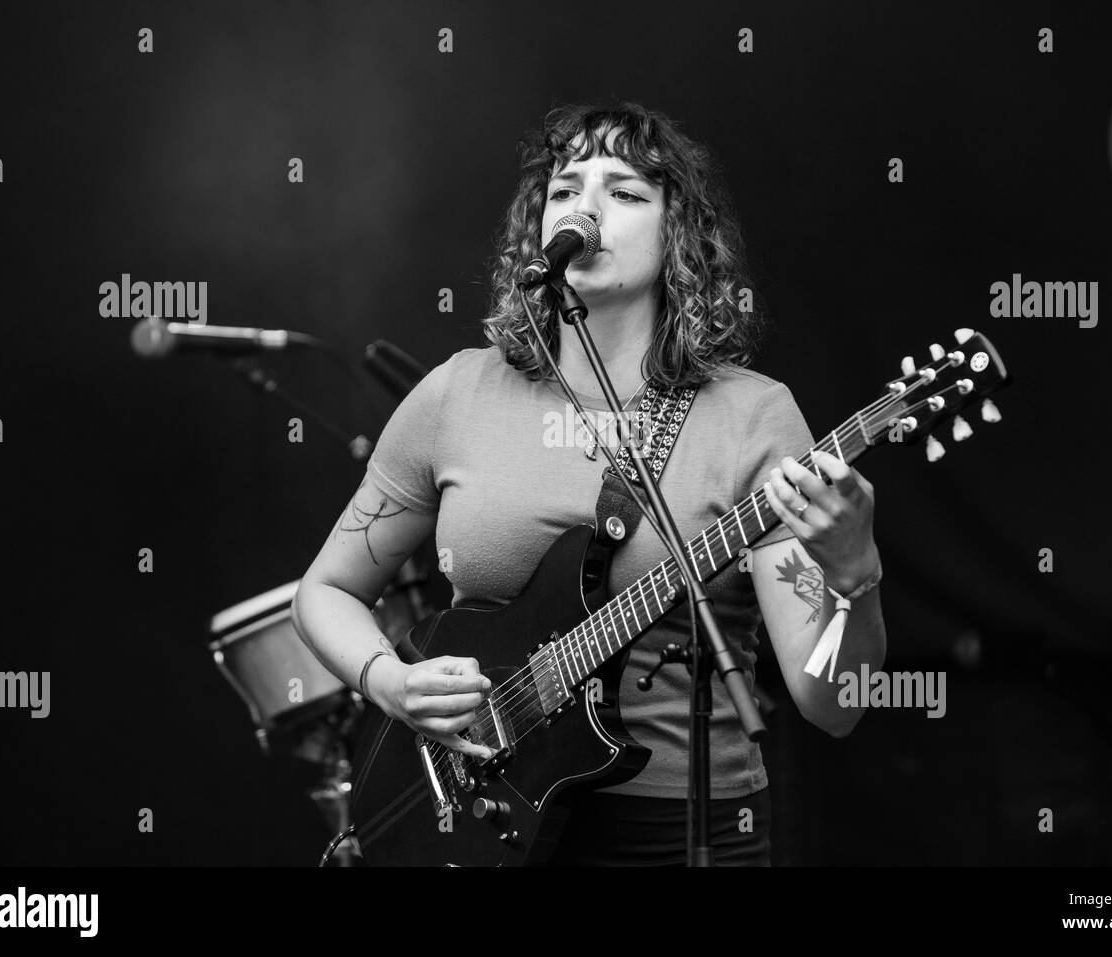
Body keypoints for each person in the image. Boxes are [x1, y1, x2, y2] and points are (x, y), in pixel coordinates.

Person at [291, 101, 887, 866]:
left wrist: (854, 573)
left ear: (680, 234)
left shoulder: (754, 416)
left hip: (680, 832)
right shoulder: (455, 394)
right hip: (486, 821)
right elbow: (325, 591)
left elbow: (833, 707)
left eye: (626, 191)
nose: (586, 207)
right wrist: (388, 683)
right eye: (565, 189)